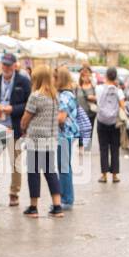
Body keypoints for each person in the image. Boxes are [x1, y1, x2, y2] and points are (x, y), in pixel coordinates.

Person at [19, 64, 64, 217]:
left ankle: (33, 208)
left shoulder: (35, 96)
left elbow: (26, 118)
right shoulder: (54, 96)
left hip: (36, 140)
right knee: (51, 172)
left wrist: (23, 127)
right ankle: (57, 206)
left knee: (33, 172)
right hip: (51, 140)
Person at [0, 52, 31, 206]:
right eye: (4, 64)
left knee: (15, 162)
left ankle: (14, 193)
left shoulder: (23, 81)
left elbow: (29, 105)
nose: (6, 67)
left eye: (8, 65)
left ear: (15, 66)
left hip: (14, 126)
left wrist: (12, 109)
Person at [55, 66, 80, 208]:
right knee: (64, 167)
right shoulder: (68, 94)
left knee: (64, 167)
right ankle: (66, 197)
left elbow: (61, 118)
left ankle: (67, 199)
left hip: (63, 135)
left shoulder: (64, 96)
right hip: (66, 135)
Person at [95, 66, 124, 183]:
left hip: (102, 121)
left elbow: (97, 101)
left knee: (103, 148)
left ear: (106, 76)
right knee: (115, 149)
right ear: (116, 77)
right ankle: (115, 175)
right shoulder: (119, 91)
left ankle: (104, 175)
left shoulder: (99, 89)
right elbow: (123, 106)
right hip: (114, 123)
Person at [76, 67, 98, 149]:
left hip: (90, 113)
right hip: (80, 114)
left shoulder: (93, 87)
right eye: (84, 76)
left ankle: (87, 148)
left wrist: (93, 97)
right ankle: (80, 146)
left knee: (88, 131)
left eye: (87, 76)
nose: (86, 77)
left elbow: (98, 98)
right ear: (81, 77)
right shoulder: (77, 87)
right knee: (79, 130)